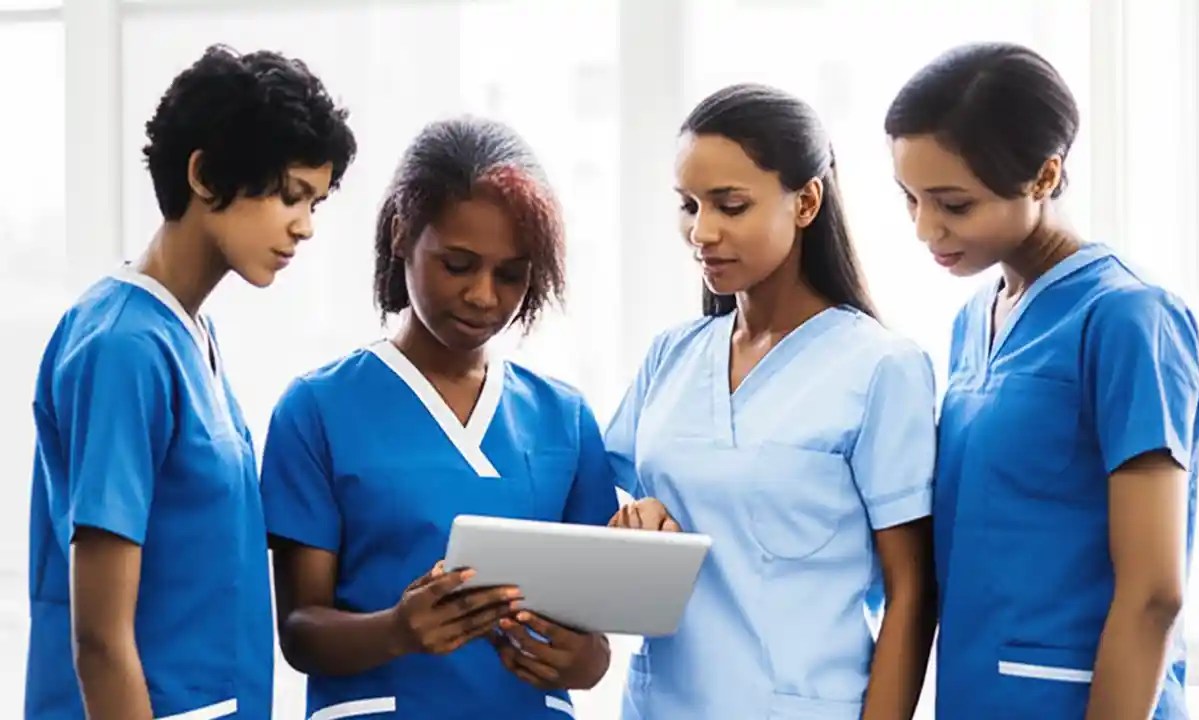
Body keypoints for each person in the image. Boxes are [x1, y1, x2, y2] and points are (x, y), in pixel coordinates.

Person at [25, 45, 356, 720]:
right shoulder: (123, 346)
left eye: (316, 202)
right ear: (204, 174)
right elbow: (98, 638)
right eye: (291, 194)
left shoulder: (188, 335)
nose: (306, 226)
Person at [886, 42, 1199, 720]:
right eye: (910, 198)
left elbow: (1155, 592)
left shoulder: (1127, 318)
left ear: (1043, 176)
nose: (925, 227)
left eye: (953, 203)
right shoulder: (973, 321)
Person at [260, 115, 618, 719]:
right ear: (403, 234)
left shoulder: (564, 418)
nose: (484, 296)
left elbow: (595, 648)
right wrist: (396, 630)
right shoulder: (318, 409)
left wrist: (580, 660)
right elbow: (299, 630)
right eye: (458, 264)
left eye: (510, 275)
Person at [606, 83, 938, 720]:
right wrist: (635, 523)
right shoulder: (671, 357)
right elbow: (610, 520)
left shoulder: (880, 368)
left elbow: (912, 590)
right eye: (689, 205)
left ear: (807, 201)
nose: (702, 231)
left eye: (730, 206)